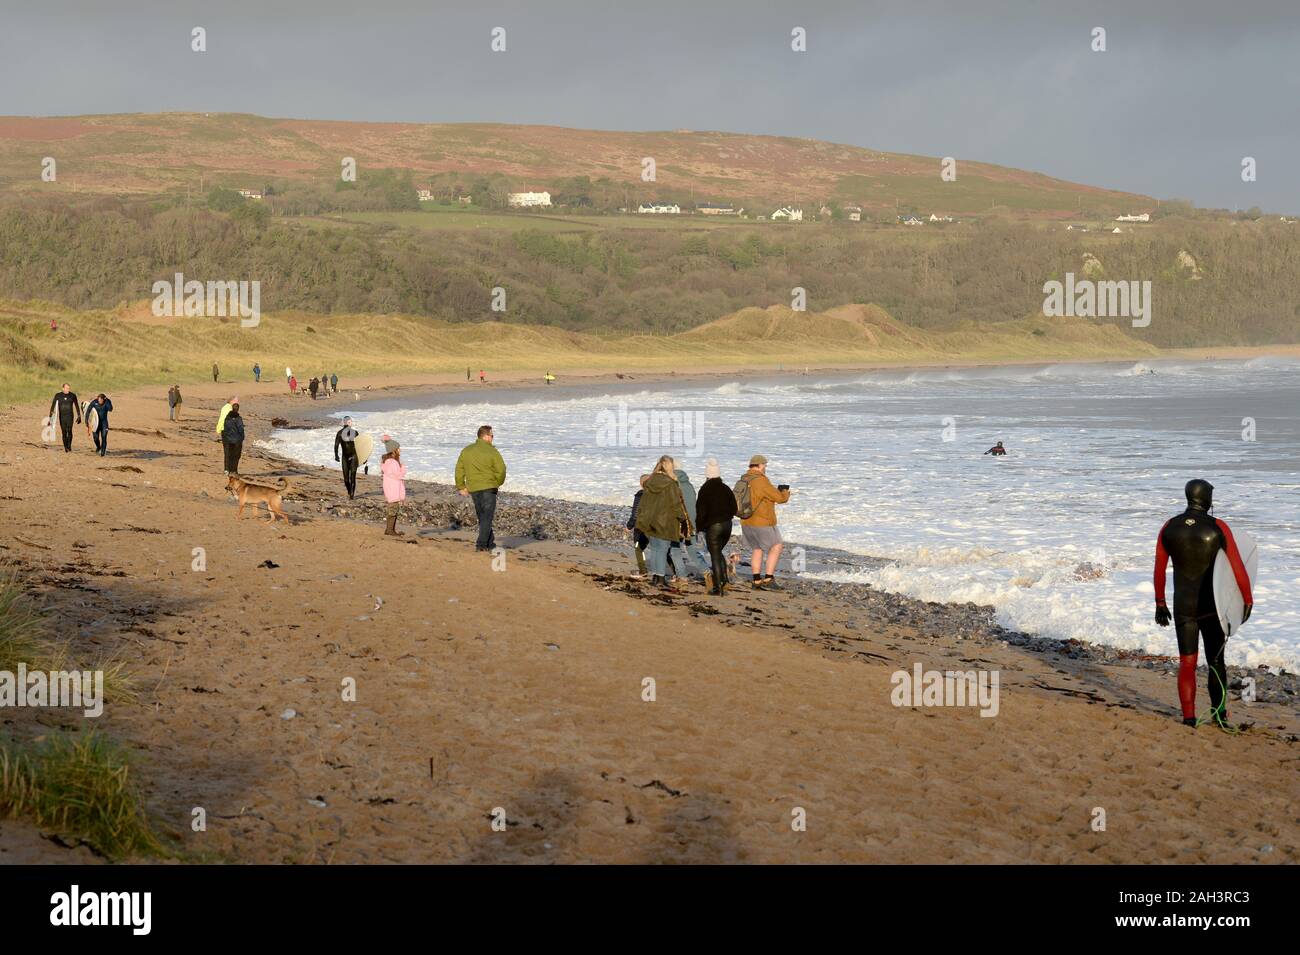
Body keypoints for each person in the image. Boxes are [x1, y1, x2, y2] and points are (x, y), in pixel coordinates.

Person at [1154, 479, 1253, 729]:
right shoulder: (1217, 527)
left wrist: (1160, 602)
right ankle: (1219, 716)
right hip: (1212, 607)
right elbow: (1237, 567)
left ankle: (1188, 718)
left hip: (1183, 606)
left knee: (1187, 662)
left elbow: (1159, 569)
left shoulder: (1169, 527)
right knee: (1216, 662)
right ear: (1206, 498)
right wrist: (1247, 599)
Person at [635, 456, 693, 591]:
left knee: (655, 549)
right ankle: (660, 579)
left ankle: (655, 577)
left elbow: (643, 504)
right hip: (666, 522)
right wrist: (683, 519)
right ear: (669, 467)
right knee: (662, 550)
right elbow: (676, 504)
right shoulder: (671, 483)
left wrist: (641, 520)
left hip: (650, 521)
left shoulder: (650, 481)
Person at [736, 454, 791, 590]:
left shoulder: (744, 479)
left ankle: (756, 580)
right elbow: (779, 498)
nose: (765, 468)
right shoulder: (761, 480)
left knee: (757, 548)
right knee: (777, 546)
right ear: (760, 466)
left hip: (746, 520)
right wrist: (785, 492)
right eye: (765, 466)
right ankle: (768, 578)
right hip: (762, 522)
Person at [455, 424, 507, 551]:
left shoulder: (466, 450)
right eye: (492, 435)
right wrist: (498, 482)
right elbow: (501, 470)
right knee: (486, 518)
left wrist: (461, 486)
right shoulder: (492, 451)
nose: (493, 438)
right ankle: (481, 544)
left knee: (483, 517)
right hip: (489, 487)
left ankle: (490, 543)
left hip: (474, 488)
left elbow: (459, 469)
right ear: (485, 436)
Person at [695, 458, 739, 596]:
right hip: (727, 525)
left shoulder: (704, 490)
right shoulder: (725, 488)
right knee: (718, 552)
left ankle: (718, 587)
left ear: (707, 475)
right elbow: (734, 508)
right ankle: (725, 580)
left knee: (714, 555)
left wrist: (699, 527)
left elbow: (700, 511)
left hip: (713, 527)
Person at [670, 466, 709, 585]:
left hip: (679, 524)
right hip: (692, 524)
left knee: (675, 549)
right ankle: (706, 571)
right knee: (692, 550)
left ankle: (682, 576)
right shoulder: (690, 487)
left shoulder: (674, 488)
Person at [625, 475, 652, 577]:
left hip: (641, 527)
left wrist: (629, 526)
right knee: (663, 551)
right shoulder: (656, 495)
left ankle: (642, 570)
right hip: (656, 526)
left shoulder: (640, 495)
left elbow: (635, 514)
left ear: (641, 484)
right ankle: (676, 572)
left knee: (638, 548)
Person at [381, 440, 407, 536]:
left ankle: (390, 529)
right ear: (393, 450)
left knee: (393, 510)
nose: (400, 450)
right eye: (398, 448)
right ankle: (390, 530)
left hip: (392, 489)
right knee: (393, 510)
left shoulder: (389, 462)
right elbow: (397, 475)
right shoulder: (392, 462)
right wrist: (403, 468)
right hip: (393, 490)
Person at [48, 383, 81, 452]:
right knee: (64, 432)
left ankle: (69, 446)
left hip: (70, 416)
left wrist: (79, 416)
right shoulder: (58, 396)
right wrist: (50, 418)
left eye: (69, 388)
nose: (68, 390)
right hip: (62, 416)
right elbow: (53, 407)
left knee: (69, 430)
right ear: (63, 388)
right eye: (66, 388)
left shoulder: (72, 396)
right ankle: (66, 447)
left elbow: (76, 406)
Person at [334, 416, 360, 499]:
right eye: (350, 422)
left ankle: (352, 495)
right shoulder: (339, 433)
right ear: (346, 423)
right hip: (344, 457)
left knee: (352, 476)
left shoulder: (355, 432)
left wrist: (364, 457)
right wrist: (336, 455)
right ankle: (349, 491)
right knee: (346, 479)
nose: (351, 423)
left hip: (354, 456)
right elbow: (336, 445)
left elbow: (361, 445)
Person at [221, 401, 245, 474]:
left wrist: (224, 437)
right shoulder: (238, 419)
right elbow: (241, 429)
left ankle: (227, 469)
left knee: (227, 454)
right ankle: (233, 470)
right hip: (236, 440)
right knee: (236, 455)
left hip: (227, 439)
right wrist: (242, 438)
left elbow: (224, 428)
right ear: (238, 409)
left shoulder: (227, 418)